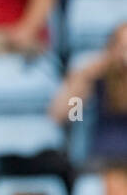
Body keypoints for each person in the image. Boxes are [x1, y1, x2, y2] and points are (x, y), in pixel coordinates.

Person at [50, 23, 127, 166]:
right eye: (122, 48)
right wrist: (83, 78)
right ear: (111, 50)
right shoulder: (95, 79)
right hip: (100, 162)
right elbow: (71, 116)